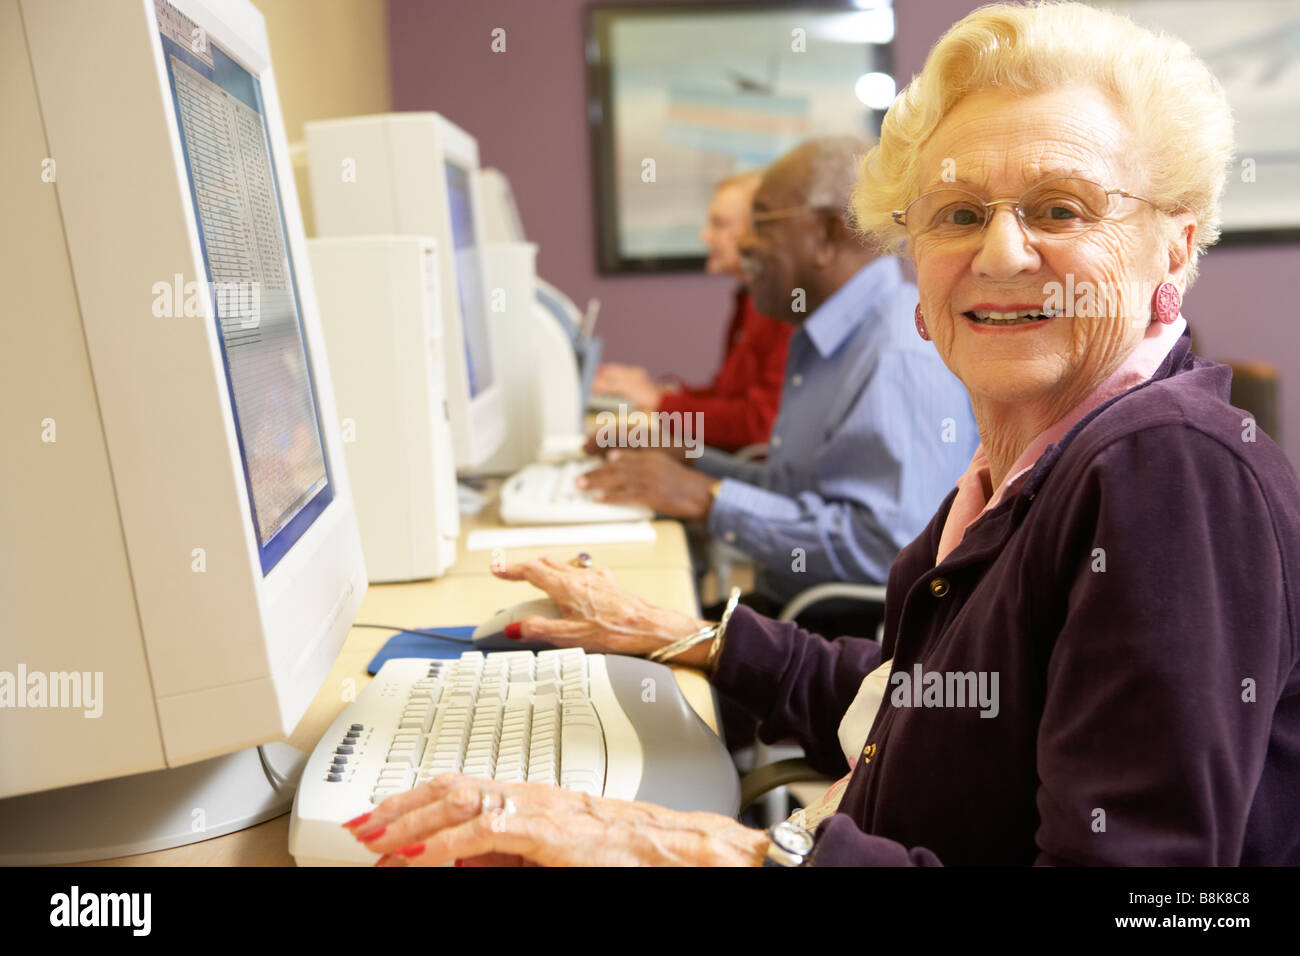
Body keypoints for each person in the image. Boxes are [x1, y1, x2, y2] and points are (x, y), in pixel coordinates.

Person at [346, 2, 1300, 866]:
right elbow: (918, 703)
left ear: (1173, 243)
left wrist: (720, 852)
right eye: (958, 214)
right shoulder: (1022, 465)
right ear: (916, 268)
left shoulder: (1168, 472)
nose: (1002, 252)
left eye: (1063, 208)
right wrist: (691, 636)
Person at [581, 136, 978, 632]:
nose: (745, 242)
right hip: (793, 615)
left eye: (762, 222)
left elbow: (887, 546)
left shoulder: (897, 355)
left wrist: (706, 498)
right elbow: (797, 493)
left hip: (840, 641)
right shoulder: (823, 338)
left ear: (826, 235)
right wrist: (690, 457)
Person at [592, 171, 795, 452]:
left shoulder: (784, 310)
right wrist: (661, 393)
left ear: (757, 232)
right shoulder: (750, 300)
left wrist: (661, 404)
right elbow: (728, 396)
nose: (705, 236)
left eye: (719, 224)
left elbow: (759, 424)